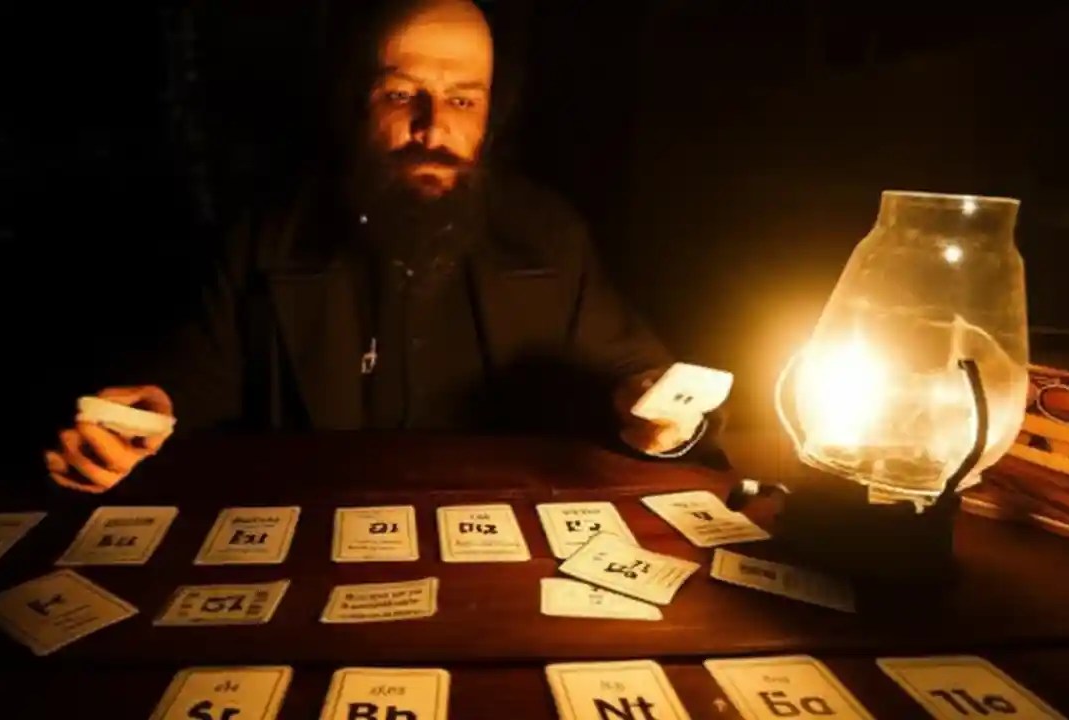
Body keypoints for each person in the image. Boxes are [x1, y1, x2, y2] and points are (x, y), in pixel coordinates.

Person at [45, 0, 715, 493]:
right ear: (356, 104)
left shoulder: (547, 234)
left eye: (462, 101)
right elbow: (182, 387)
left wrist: (661, 421)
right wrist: (130, 426)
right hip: (317, 543)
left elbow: (642, 381)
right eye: (402, 94)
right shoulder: (268, 236)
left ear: (490, 116)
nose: (433, 128)